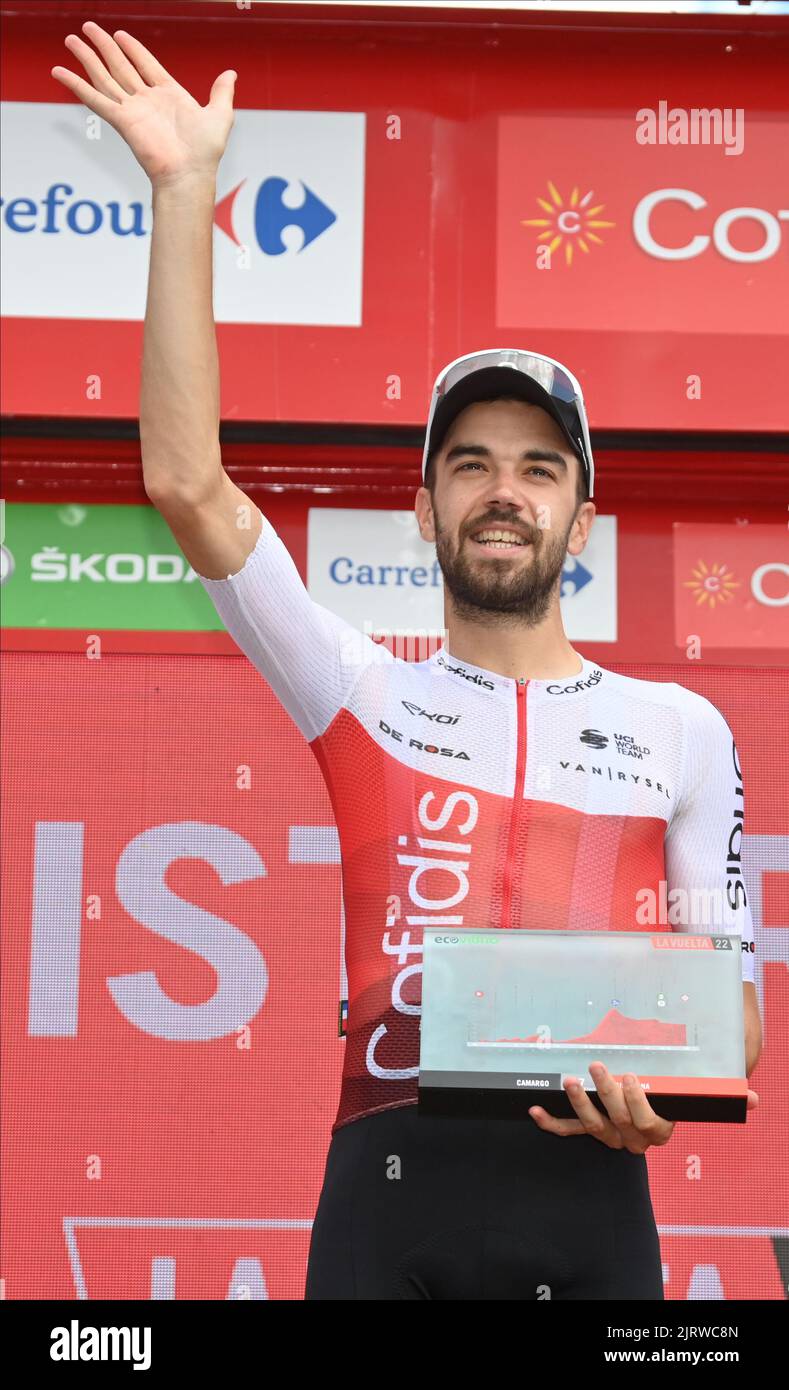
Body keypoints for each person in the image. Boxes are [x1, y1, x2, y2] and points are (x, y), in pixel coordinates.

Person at [53, 22, 762, 1302]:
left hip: (594, 1200)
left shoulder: (684, 728)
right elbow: (185, 480)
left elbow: (736, 1016)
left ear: (581, 520)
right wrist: (182, 191)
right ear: (425, 510)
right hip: (390, 1196)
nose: (505, 493)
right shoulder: (358, 687)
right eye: (471, 465)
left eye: (540, 468)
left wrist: (662, 1097)